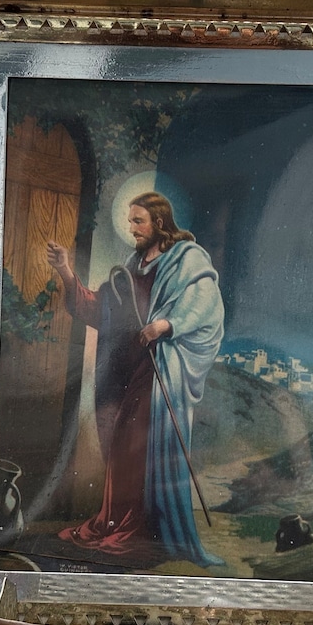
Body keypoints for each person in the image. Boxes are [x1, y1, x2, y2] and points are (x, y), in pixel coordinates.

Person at [46, 192, 224, 569]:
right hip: (131, 372)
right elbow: (95, 308)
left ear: (159, 223)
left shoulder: (186, 259)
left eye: (139, 221)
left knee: (137, 443)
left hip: (161, 370)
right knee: (123, 447)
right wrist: (65, 270)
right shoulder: (130, 267)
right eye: (130, 222)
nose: (132, 229)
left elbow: (205, 300)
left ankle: (141, 529)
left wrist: (165, 324)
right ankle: (120, 524)